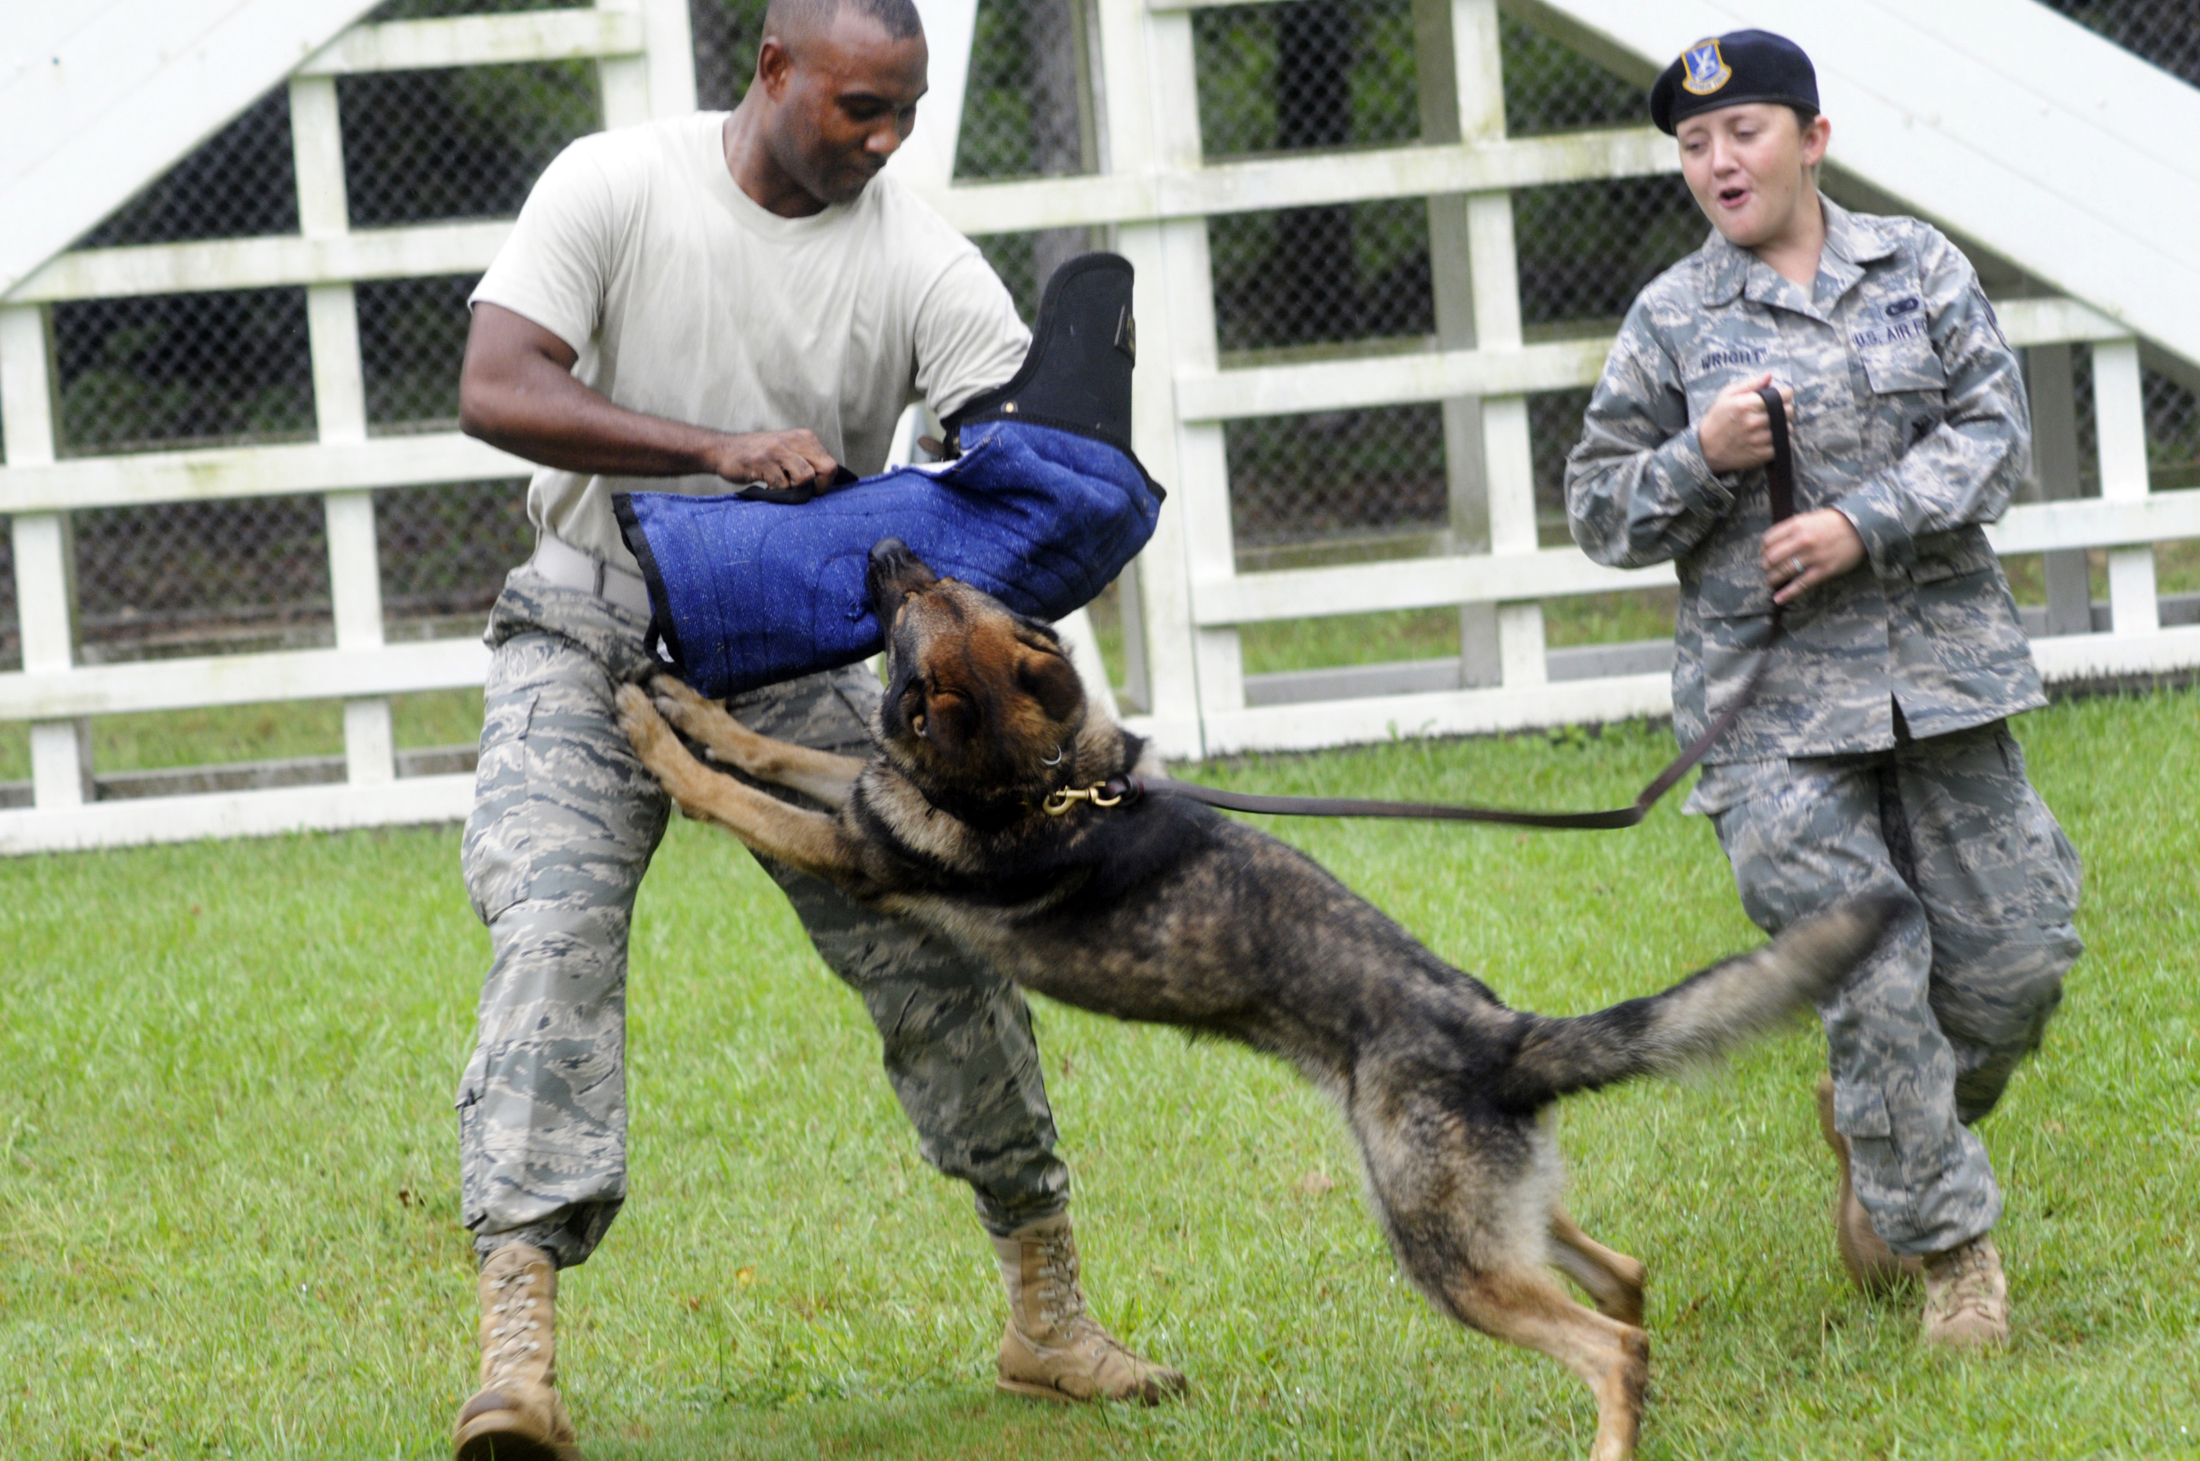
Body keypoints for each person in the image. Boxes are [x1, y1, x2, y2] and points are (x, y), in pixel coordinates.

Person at [446, 0, 1184, 1453]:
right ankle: (516, 1358)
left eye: (904, 109)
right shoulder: (617, 182)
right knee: (551, 937)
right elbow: (494, 385)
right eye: (858, 107)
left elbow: (1013, 450)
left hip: (792, 645)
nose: (886, 138)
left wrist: (1058, 459)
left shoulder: (913, 249)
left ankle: (1048, 1312)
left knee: (937, 936)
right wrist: (711, 449)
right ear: (773, 69)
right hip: (584, 623)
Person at [1564, 30, 2083, 1350]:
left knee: (2016, 962)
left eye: (1741, 131)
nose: (1716, 160)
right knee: (1879, 975)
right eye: (1692, 144)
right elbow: (1602, 509)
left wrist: (1861, 521)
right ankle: (1954, 1259)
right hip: (1774, 719)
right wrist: (1699, 453)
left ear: (1811, 139)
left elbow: (1995, 433)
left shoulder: (1920, 268)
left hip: (1947, 682)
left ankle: (1878, 1126)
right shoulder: (1672, 321)